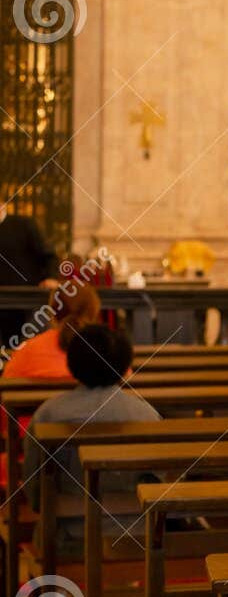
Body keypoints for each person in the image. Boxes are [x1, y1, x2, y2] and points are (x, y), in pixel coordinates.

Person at [22, 324, 160, 558]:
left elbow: (33, 487)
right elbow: (159, 481)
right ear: (124, 364)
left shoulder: (49, 414)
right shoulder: (146, 414)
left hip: (66, 538)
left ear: (73, 363)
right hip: (135, 537)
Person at [2, 281, 101, 379]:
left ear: (53, 312)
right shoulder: (105, 356)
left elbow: (6, 386)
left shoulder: (26, 352)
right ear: (94, 312)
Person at [0, 202, 61, 340]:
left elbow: (49, 255)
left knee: (24, 344)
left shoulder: (24, 225)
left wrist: (51, 277)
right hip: (1, 299)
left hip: (26, 299)